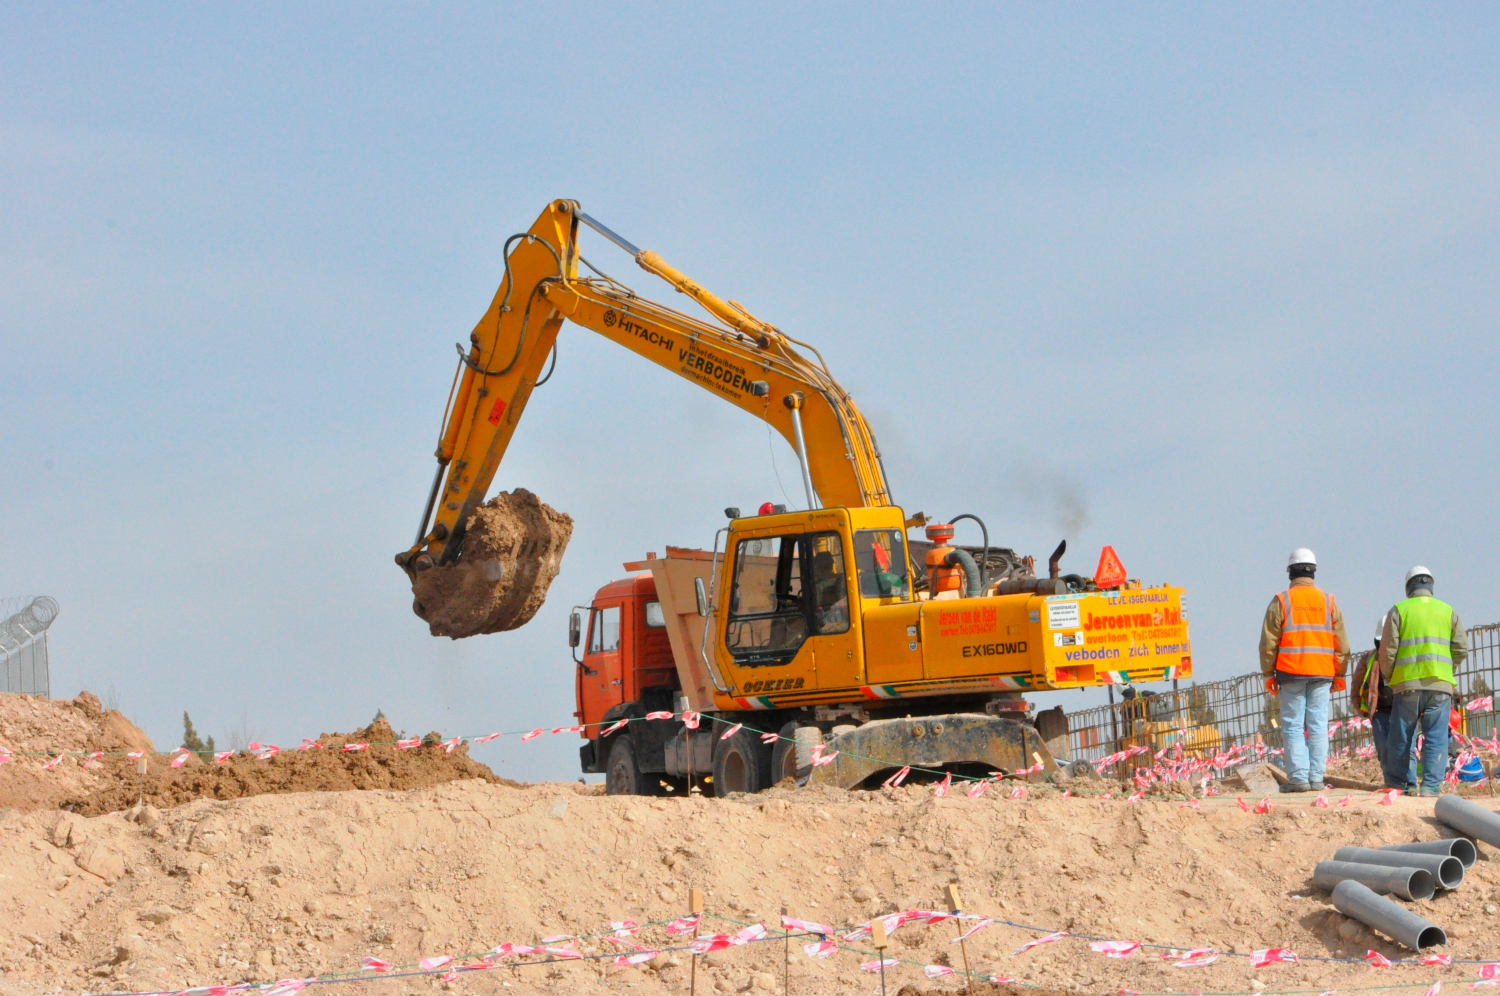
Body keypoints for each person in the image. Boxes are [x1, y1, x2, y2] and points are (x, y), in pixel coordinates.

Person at [1259, 548, 1350, 792]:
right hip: (1321, 673)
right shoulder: (1328, 601)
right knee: (1318, 725)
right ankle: (1316, 778)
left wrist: (1268, 674)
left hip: (1291, 674)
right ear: (1314, 572)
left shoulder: (1281, 601)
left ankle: (1298, 779)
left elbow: (1269, 642)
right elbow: (1341, 643)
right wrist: (1339, 673)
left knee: (1293, 726)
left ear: (1290, 572)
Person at [1379, 566, 1469, 797]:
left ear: (1409, 587)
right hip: (1440, 685)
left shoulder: (1399, 610)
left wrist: (1391, 678)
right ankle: (1430, 786)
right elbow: (1461, 648)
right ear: (1430, 586)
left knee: (1402, 737)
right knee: (1436, 738)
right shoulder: (1448, 611)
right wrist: (1445, 669)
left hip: (1407, 686)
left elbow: (1387, 651)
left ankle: (1404, 785)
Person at [1357, 612, 1416, 789]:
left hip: (1404, 707)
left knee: (1406, 747)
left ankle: (1410, 783)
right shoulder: (1370, 658)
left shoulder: (1407, 656)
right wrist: (1362, 707)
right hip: (1380, 710)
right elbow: (1357, 685)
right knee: (1384, 748)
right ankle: (1392, 784)